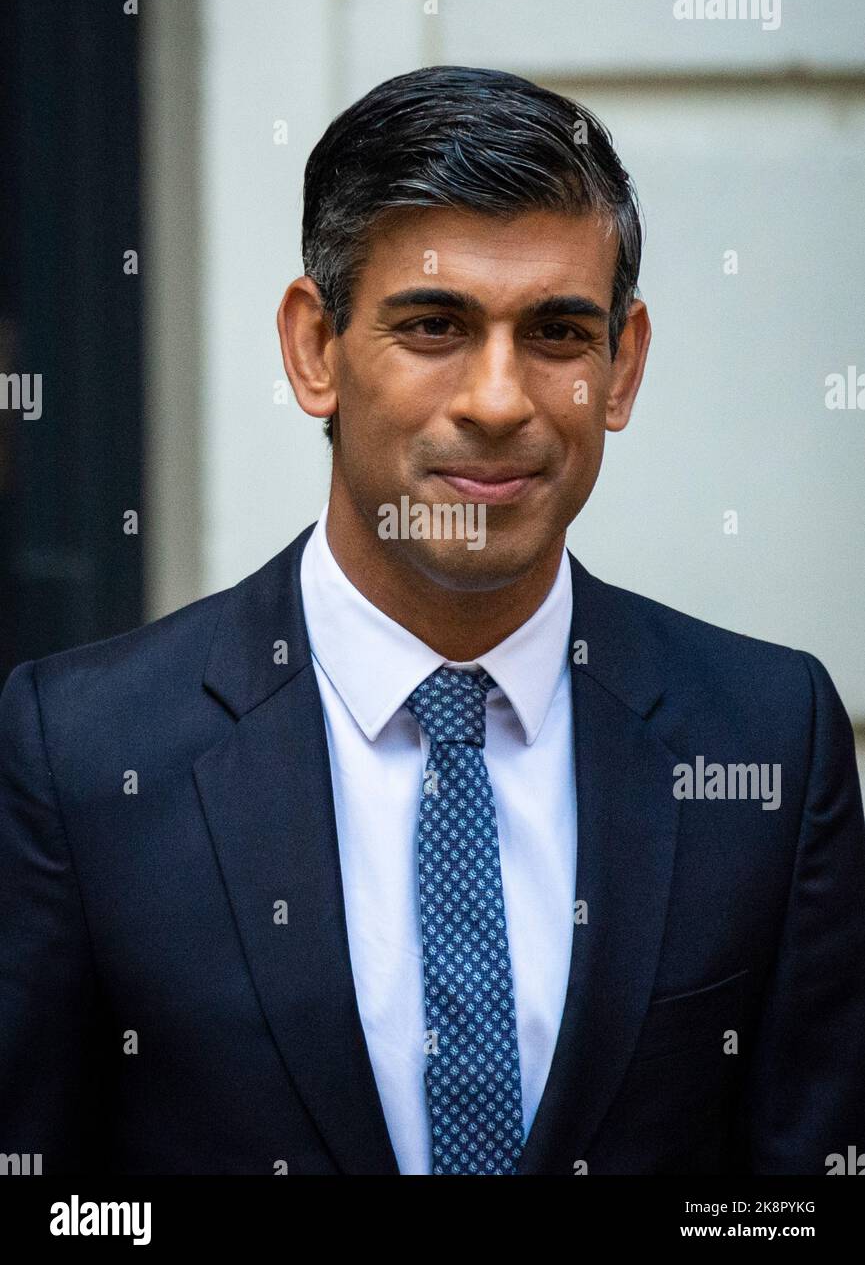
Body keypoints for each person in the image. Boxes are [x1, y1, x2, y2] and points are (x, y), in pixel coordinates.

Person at [1, 66, 863, 1176]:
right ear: (314, 348)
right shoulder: (84, 754)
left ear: (621, 365)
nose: (497, 399)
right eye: (434, 324)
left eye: (557, 332)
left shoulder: (766, 740)